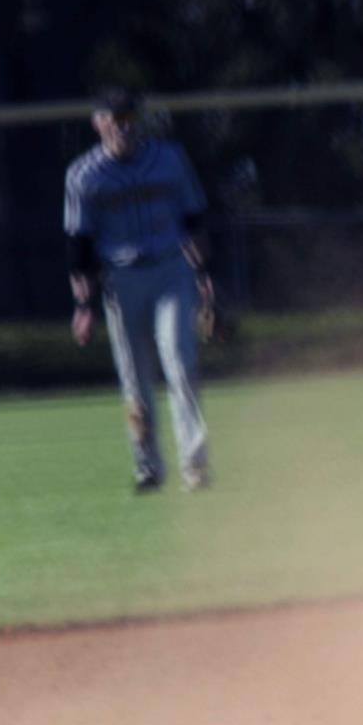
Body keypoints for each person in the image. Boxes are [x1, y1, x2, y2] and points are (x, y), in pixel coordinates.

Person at [63, 87, 217, 493]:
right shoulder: (84, 174)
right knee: (134, 379)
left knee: (180, 362)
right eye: (114, 122)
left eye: (130, 120)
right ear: (98, 125)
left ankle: (195, 464)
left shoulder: (169, 159)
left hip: (170, 271)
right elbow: (78, 247)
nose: (124, 130)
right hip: (121, 278)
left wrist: (205, 276)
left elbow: (194, 218)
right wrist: (83, 304)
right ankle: (147, 465)